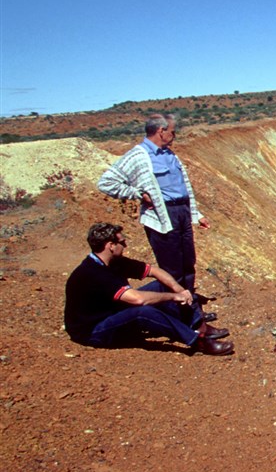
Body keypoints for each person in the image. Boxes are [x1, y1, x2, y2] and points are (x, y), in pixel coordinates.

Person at [97, 114, 217, 321]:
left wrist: (196, 214)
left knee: (188, 264)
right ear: (161, 131)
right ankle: (184, 317)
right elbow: (106, 182)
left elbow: (182, 188)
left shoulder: (170, 154)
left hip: (182, 212)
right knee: (172, 269)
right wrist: (136, 194)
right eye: (172, 131)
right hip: (162, 217)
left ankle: (191, 310)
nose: (174, 136)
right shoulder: (138, 156)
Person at [64, 223, 234, 356]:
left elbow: (153, 270)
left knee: (162, 286)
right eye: (122, 242)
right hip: (92, 330)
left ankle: (197, 324)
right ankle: (197, 341)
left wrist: (178, 290)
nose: (125, 245)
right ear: (110, 245)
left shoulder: (113, 262)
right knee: (142, 312)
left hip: (112, 312)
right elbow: (138, 299)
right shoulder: (93, 272)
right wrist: (174, 297)